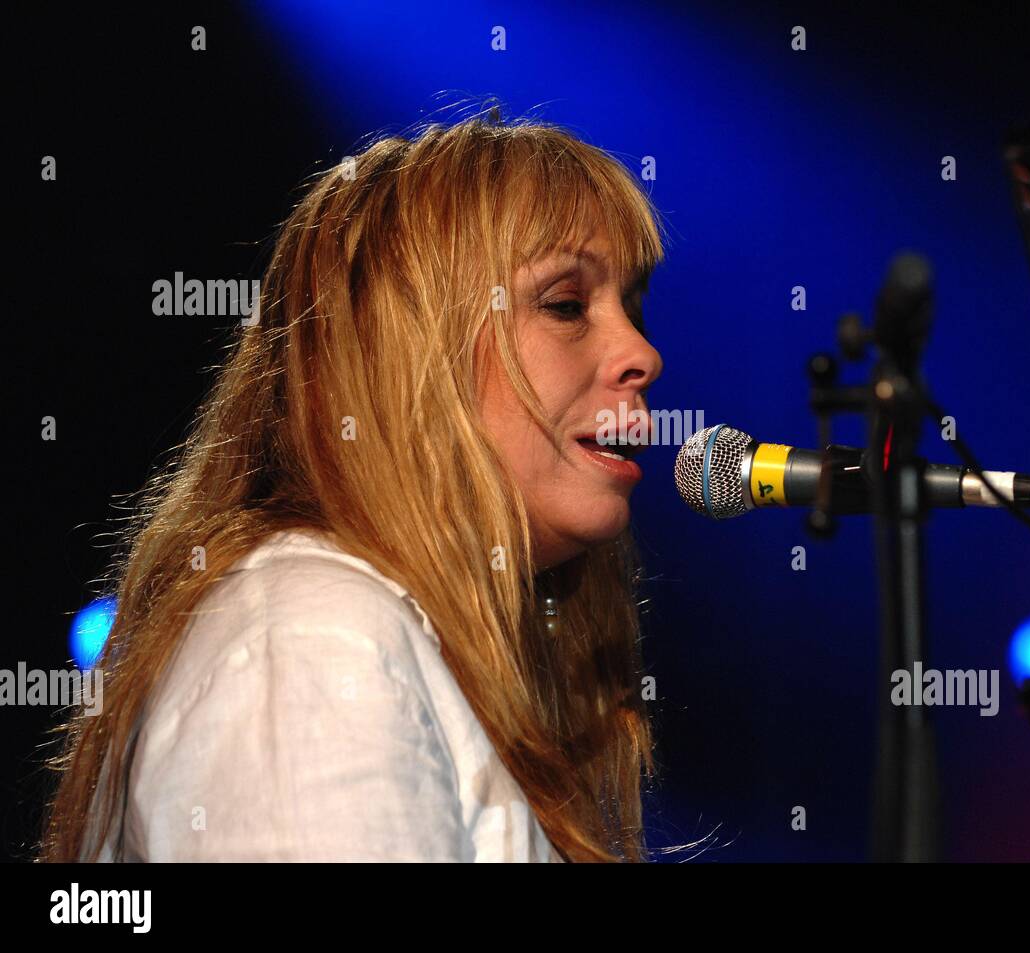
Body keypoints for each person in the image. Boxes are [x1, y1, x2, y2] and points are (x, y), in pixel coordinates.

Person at [40, 108, 667, 862]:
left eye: (630, 308)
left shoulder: (370, 637)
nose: (642, 353)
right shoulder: (312, 639)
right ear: (412, 353)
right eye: (567, 304)